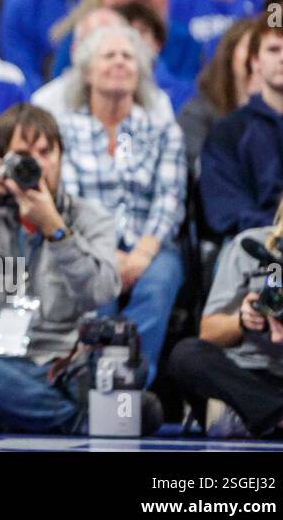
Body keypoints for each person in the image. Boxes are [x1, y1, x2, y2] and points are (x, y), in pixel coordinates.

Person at [0, 103, 121, 433]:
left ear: (61, 157)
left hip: (55, 365)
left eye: (46, 152)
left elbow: (100, 293)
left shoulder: (90, 217)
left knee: (121, 375)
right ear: (1, 162)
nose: (37, 164)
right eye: (24, 155)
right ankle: (73, 420)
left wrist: (57, 231)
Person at [57, 24, 187, 383]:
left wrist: (142, 254)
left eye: (128, 57)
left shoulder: (163, 130)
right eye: (109, 56)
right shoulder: (64, 130)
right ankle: (89, 385)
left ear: (139, 72)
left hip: (152, 245)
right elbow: (68, 199)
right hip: (87, 245)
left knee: (156, 285)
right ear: (87, 72)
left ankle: (129, 386)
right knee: (96, 290)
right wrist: (105, 253)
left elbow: (170, 199)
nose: (119, 62)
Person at [169, 152, 283, 442]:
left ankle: (247, 419)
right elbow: (209, 333)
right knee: (186, 355)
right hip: (247, 375)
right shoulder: (251, 246)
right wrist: (243, 321)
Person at [201, 8, 283, 237]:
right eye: (274, 49)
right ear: (256, 61)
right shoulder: (228, 132)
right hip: (255, 243)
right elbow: (226, 209)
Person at [178, 17, 261, 174]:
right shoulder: (196, 113)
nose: (258, 58)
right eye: (251, 47)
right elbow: (203, 169)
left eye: (266, 50)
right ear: (230, 54)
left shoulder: (282, 114)